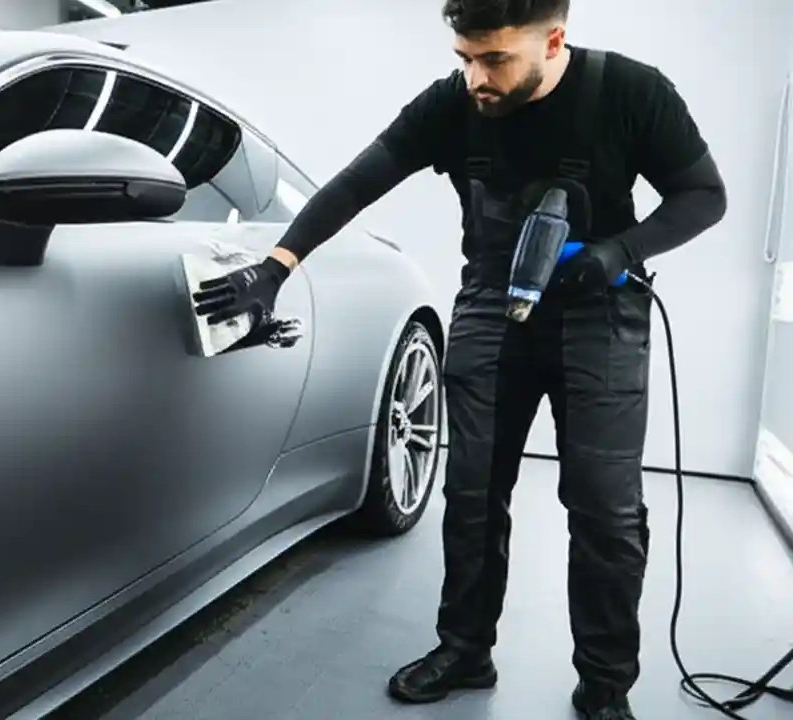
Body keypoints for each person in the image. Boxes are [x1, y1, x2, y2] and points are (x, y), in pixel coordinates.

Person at [190, 1, 727, 718]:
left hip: (600, 309)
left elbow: (705, 196)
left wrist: (619, 251)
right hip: (490, 306)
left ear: (554, 40)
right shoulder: (455, 103)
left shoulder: (632, 92)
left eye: (495, 59)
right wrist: (276, 267)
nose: (476, 76)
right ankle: (466, 649)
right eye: (464, 58)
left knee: (605, 510)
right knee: (471, 495)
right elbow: (358, 181)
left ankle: (604, 685)